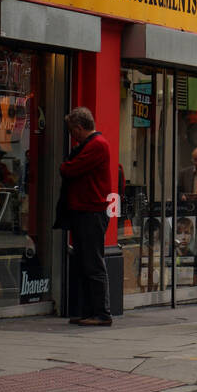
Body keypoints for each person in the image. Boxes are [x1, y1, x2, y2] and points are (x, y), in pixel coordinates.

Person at [59, 107, 113, 326]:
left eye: (73, 131)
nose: (73, 136)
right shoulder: (91, 145)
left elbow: (69, 169)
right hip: (85, 210)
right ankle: (90, 311)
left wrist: (66, 165)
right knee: (84, 262)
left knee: (92, 262)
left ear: (80, 128)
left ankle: (102, 313)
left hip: (91, 212)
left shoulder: (97, 145)